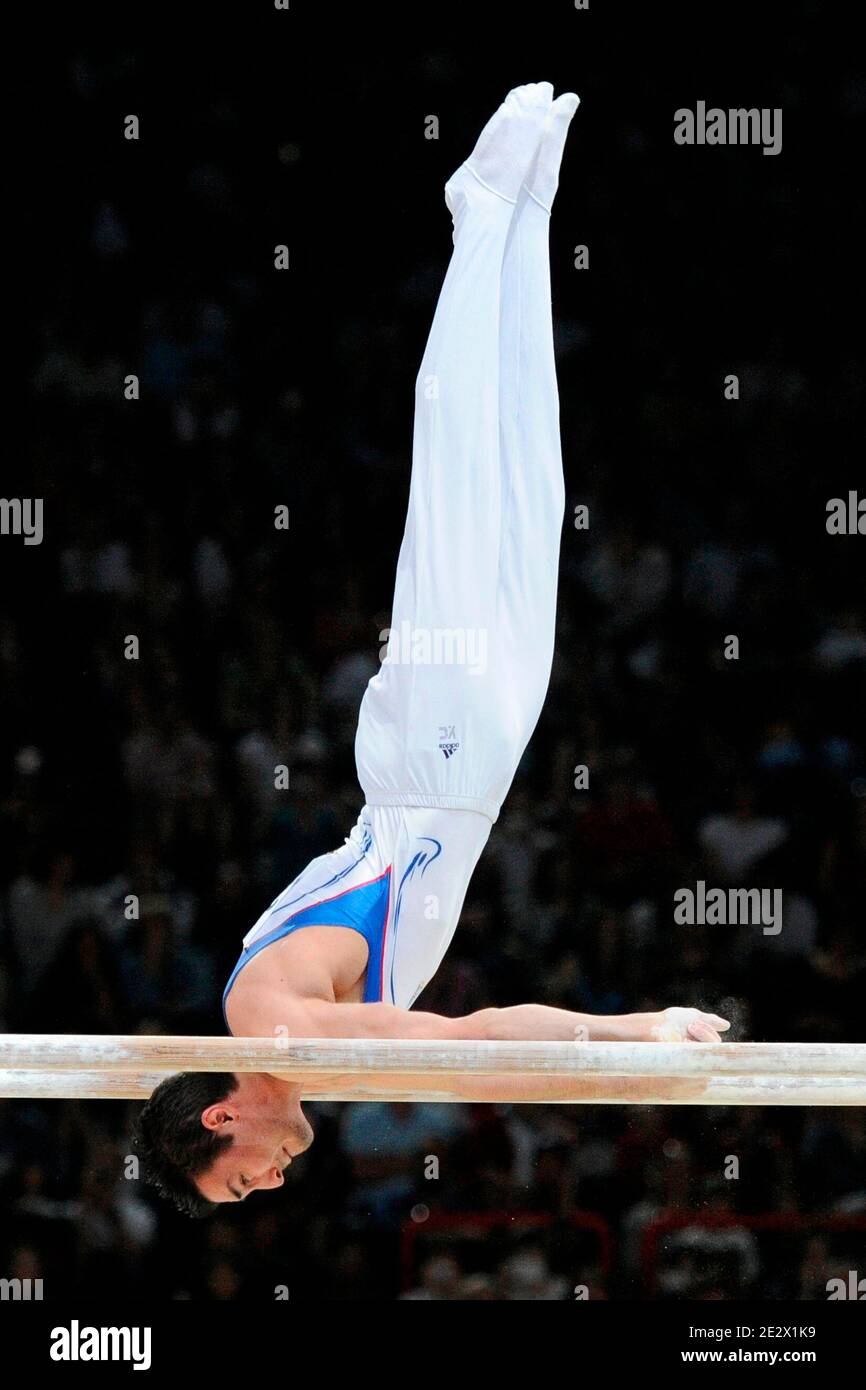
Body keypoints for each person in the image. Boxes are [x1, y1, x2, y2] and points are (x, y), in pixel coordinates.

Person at [134, 84, 729, 1215]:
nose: (268, 1181)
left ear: (223, 1113)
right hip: (460, 773)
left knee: (464, 478)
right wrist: (620, 1033)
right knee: (525, 487)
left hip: (427, 769)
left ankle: (479, 216)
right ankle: (525, 212)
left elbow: (470, 1037)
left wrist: (631, 1028)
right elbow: (467, 1037)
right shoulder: (303, 1051)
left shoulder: (270, 1028)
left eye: (239, 1178)